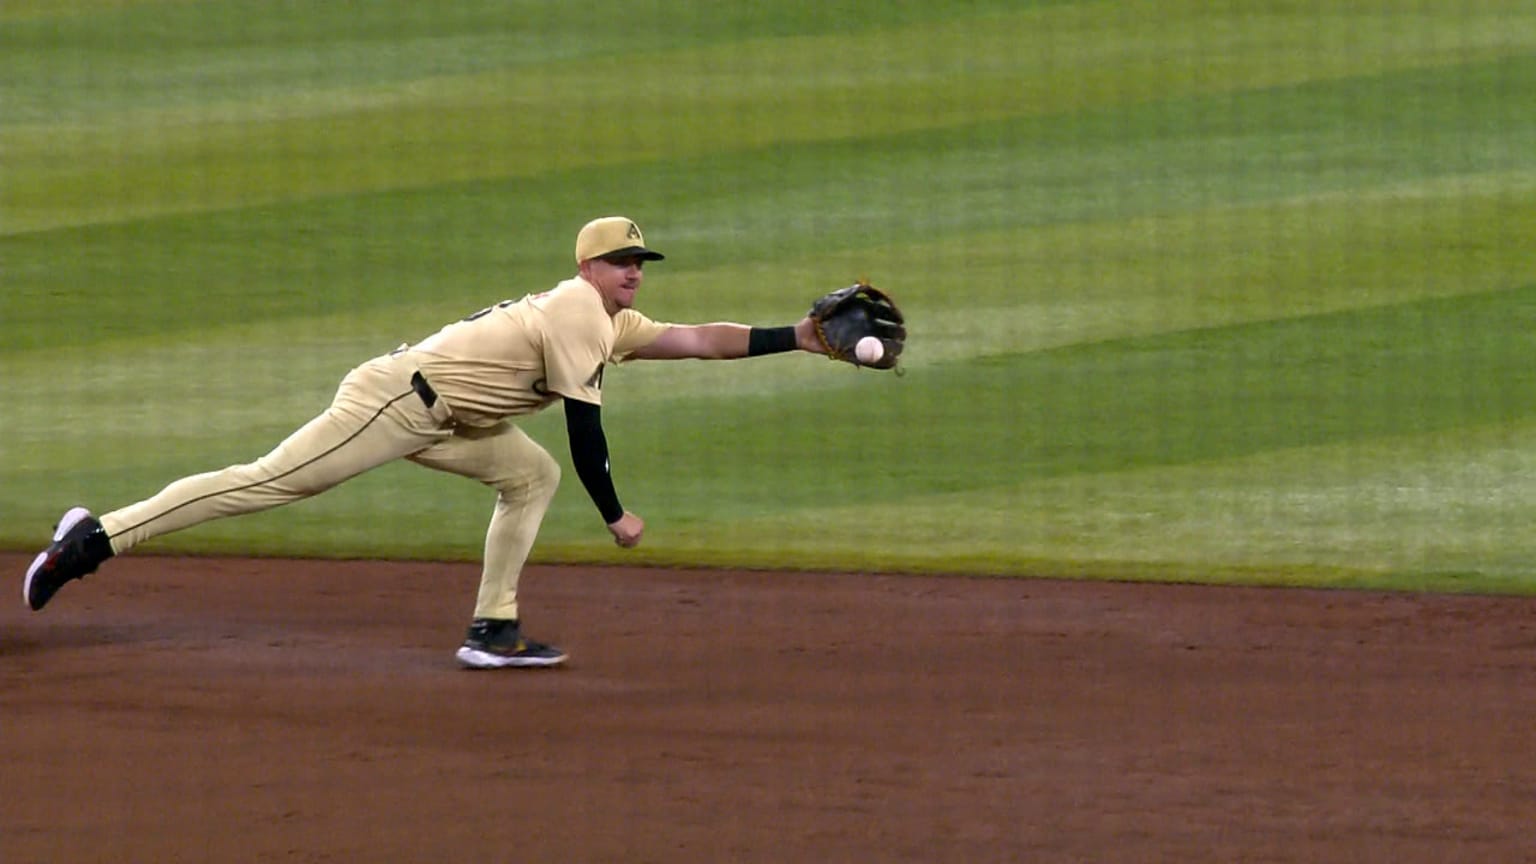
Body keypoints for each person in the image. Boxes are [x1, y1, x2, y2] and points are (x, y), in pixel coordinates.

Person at [23, 216, 829, 669]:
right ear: (588, 265)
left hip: (451, 419)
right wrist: (616, 515)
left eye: (640, 263)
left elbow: (698, 340)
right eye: (621, 262)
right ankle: (93, 540)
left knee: (529, 476)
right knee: (271, 483)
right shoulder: (577, 310)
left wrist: (799, 337)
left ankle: (492, 629)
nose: (634, 273)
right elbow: (589, 426)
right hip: (397, 402)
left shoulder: (610, 321)